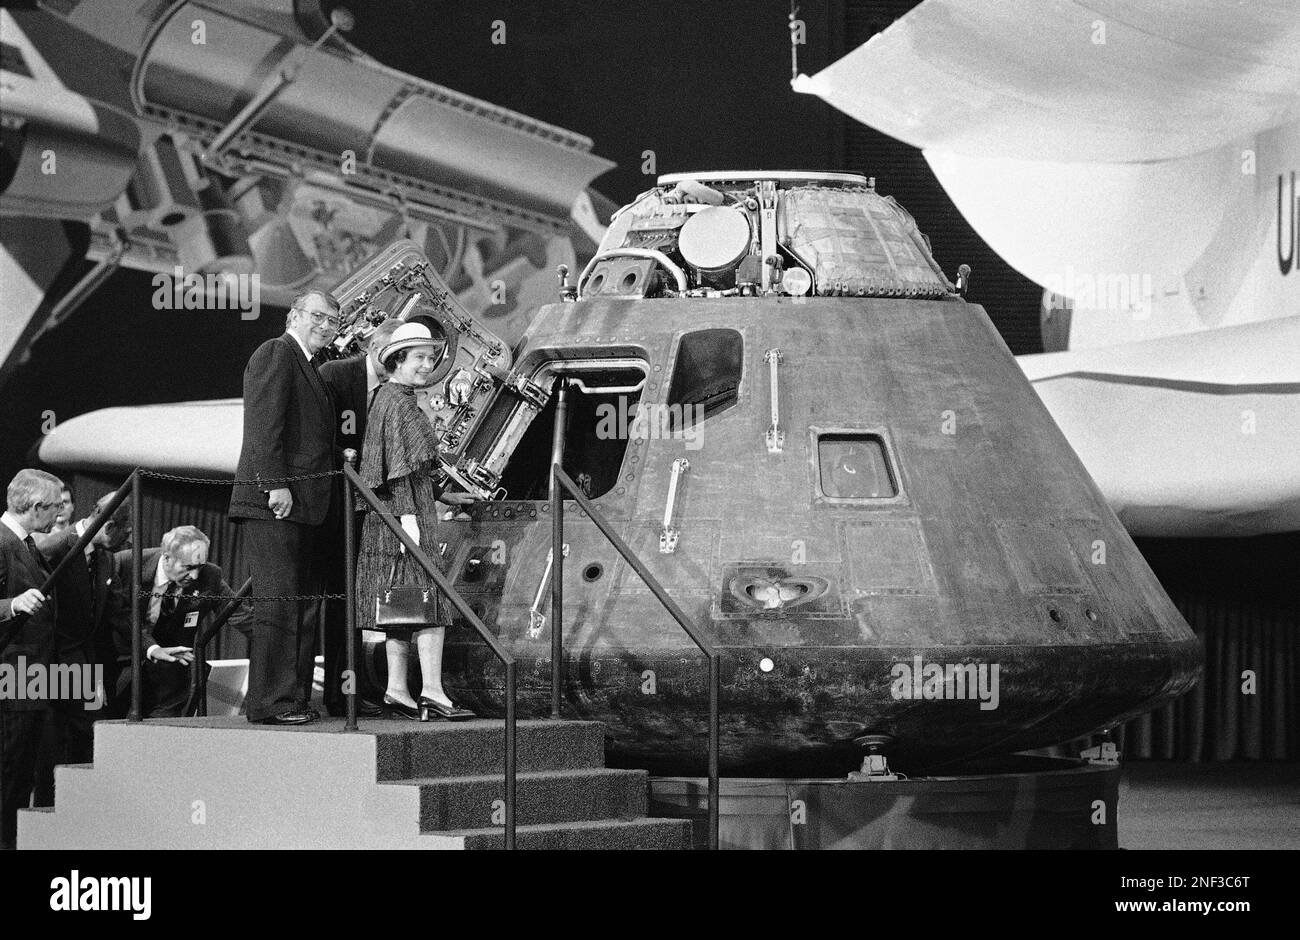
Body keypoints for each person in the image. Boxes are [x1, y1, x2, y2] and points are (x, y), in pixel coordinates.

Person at [228, 288, 339, 725]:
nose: (326, 326)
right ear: (294, 315)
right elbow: (263, 426)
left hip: (307, 505)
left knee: (303, 604)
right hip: (276, 502)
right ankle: (270, 703)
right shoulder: (276, 352)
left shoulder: (313, 367)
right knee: (278, 603)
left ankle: (292, 699)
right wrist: (274, 485)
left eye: (333, 320)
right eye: (318, 316)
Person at [356, 321, 474, 721]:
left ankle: (396, 689)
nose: (428, 365)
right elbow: (400, 471)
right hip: (404, 519)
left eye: (430, 357)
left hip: (398, 516)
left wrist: (442, 495)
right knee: (430, 604)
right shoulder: (400, 404)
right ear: (397, 360)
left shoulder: (390, 399)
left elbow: (406, 467)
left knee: (400, 610)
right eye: (420, 358)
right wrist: (409, 523)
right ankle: (434, 692)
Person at [318, 317, 404, 718]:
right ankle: (325, 695)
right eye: (399, 354)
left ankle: (344, 694)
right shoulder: (336, 375)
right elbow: (315, 435)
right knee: (334, 603)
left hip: (366, 512)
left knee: (353, 604)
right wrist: (344, 458)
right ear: (377, 349)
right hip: (329, 506)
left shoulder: (396, 393)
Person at [30, 492, 130, 805]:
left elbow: (118, 611)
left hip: (81, 664)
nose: (127, 541)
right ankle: (41, 816)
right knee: (46, 743)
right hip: (43, 665)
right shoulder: (53, 547)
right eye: (125, 534)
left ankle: (73, 810)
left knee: (87, 735)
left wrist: (150, 648)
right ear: (110, 525)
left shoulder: (107, 558)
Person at [110, 526, 252, 718]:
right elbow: (116, 617)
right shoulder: (126, 564)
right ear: (167, 558)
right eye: (188, 568)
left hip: (169, 685)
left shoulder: (210, 577)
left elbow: (243, 618)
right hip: (118, 670)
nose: (194, 576)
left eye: (199, 567)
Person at [0, 468, 63, 849]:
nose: (59, 515)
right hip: (12, 678)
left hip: (30, 679)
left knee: (21, 772)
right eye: (55, 507)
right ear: (37, 507)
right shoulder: (3, 542)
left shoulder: (25, 542)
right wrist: (12, 604)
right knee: (9, 772)